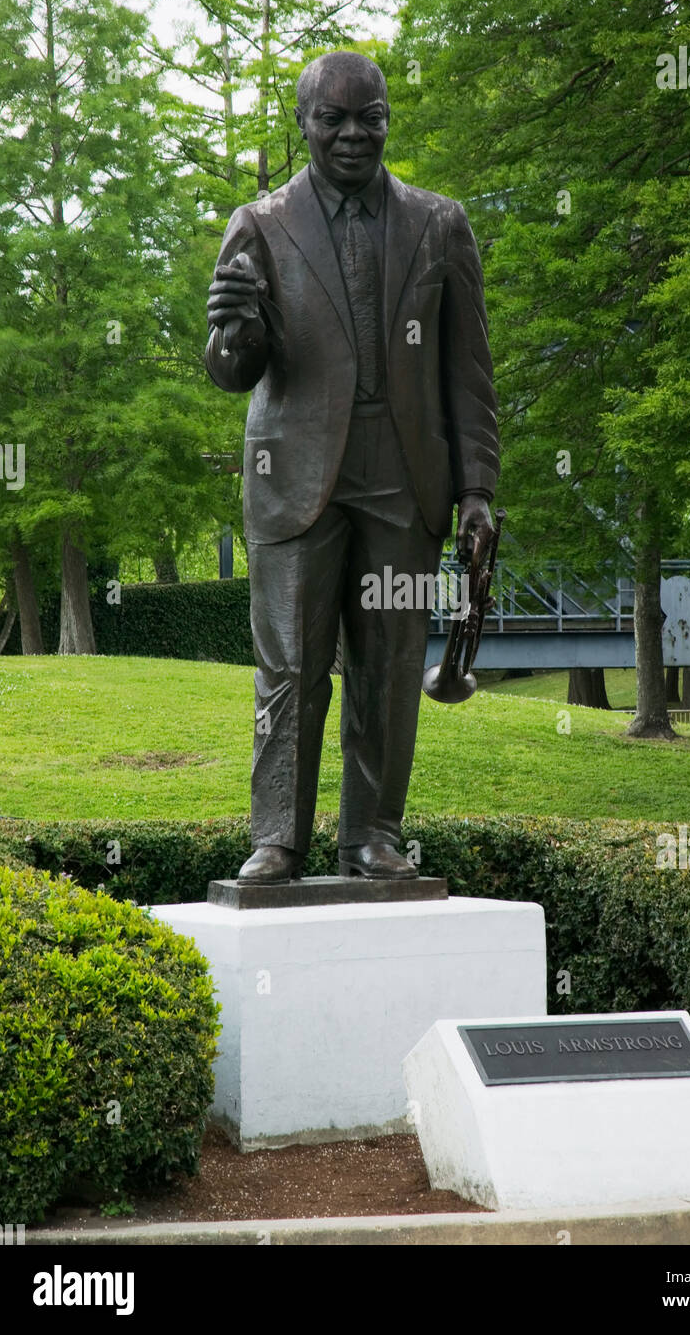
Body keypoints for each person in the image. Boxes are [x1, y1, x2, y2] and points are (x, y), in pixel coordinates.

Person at [205, 51, 499, 884]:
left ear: (387, 120)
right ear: (302, 125)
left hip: (405, 479)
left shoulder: (441, 223)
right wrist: (233, 331)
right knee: (291, 667)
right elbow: (235, 368)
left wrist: (477, 488)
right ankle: (278, 841)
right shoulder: (259, 224)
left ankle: (374, 836)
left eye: (368, 116)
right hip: (294, 478)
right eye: (331, 119)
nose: (351, 134)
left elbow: (467, 371)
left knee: (391, 663)